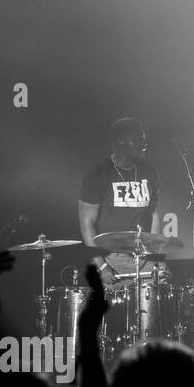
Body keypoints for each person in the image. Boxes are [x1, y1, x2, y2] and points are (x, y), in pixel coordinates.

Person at [78, 118, 161, 285]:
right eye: (138, 139)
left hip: (144, 258)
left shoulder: (149, 171)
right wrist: (101, 266)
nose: (144, 143)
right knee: (119, 310)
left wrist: (157, 259)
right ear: (121, 141)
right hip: (112, 260)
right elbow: (86, 222)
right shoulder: (99, 174)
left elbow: (155, 216)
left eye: (143, 138)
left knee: (156, 306)